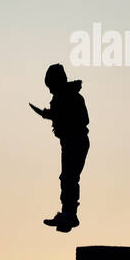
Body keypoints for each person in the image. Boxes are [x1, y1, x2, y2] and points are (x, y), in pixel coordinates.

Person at [29, 64, 89, 232]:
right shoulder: (64, 97)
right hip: (70, 141)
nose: (49, 91)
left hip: (75, 141)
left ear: (57, 82)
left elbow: (82, 119)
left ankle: (69, 215)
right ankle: (67, 215)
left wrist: (57, 116)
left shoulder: (71, 97)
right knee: (67, 178)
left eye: (50, 86)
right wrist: (52, 115)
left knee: (69, 178)